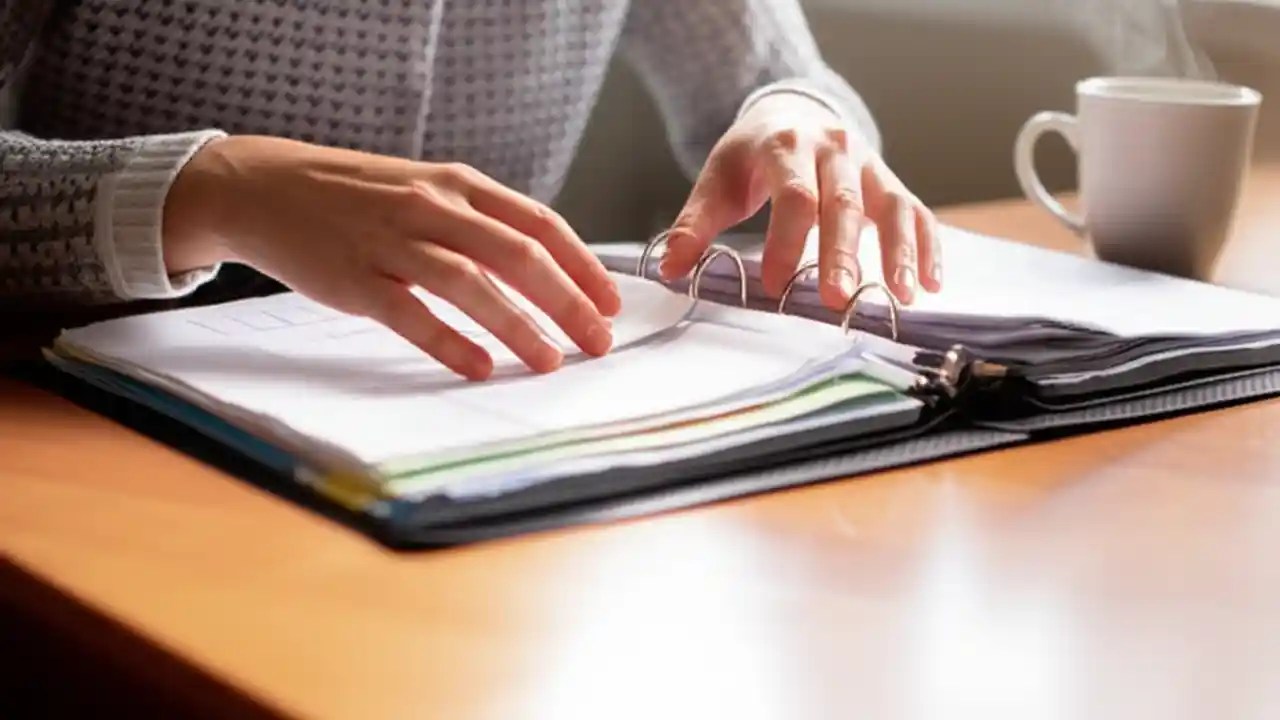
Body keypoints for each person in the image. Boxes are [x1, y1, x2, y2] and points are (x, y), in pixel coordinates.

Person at [1, 1, 941, 380]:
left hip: (481, 419)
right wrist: (208, 190)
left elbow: (781, 76)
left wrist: (795, 107)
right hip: (75, 410)